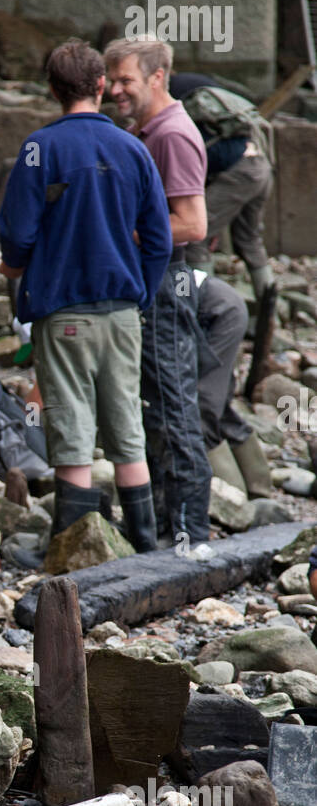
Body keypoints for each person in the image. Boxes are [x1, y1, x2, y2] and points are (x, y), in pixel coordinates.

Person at [0, 38, 171, 550]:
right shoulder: (134, 148)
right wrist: (140, 295)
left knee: (71, 436)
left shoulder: (40, 148)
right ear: (100, 85)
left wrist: (15, 264)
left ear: (52, 90)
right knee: (126, 431)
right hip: (121, 311)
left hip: (64, 312)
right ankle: (144, 547)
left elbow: (18, 232)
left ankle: (71, 555)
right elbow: (159, 240)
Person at [104, 36, 214, 550]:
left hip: (171, 283)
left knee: (173, 404)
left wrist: (120, 232)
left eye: (125, 80)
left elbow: (192, 223)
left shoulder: (171, 134)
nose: (115, 91)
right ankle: (170, 524)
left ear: (157, 77)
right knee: (158, 404)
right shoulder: (147, 130)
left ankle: (191, 528)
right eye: (112, 81)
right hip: (156, 282)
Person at [170, 71, 274, 298]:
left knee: (194, 238)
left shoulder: (172, 99)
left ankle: (199, 308)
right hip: (259, 161)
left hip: (237, 170)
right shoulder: (199, 82)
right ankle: (270, 312)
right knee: (250, 239)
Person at [194, 272, 275, 497]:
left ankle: (234, 499)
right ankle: (259, 487)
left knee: (203, 408)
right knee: (219, 407)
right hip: (224, 305)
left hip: (217, 313)